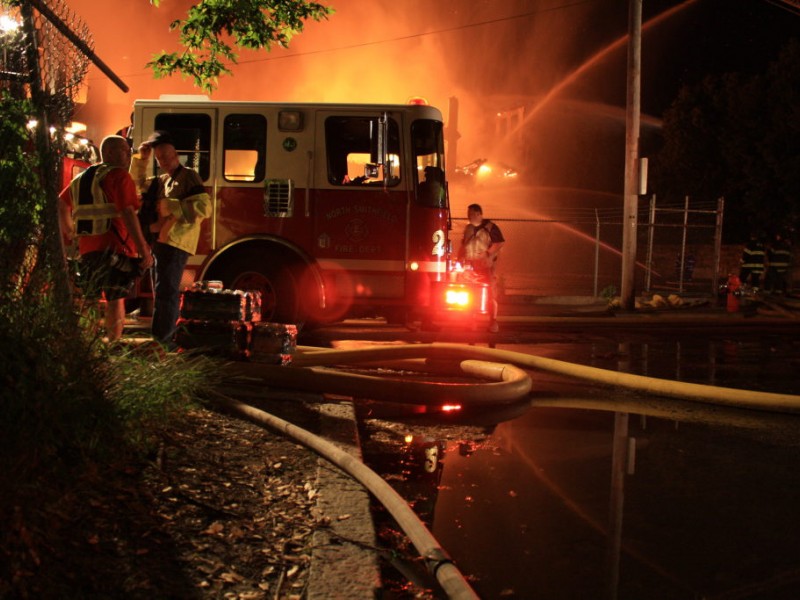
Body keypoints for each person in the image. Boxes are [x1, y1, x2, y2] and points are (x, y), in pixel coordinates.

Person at [59, 135, 154, 342]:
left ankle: (87, 344)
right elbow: (128, 213)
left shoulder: (81, 179)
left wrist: (69, 232)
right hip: (116, 248)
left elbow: (61, 205)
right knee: (115, 298)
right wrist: (143, 248)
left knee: (90, 299)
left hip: (87, 250)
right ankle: (112, 343)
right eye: (124, 151)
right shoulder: (120, 176)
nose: (128, 155)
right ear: (109, 152)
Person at [134, 131, 211, 345]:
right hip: (162, 242)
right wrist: (142, 159)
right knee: (162, 292)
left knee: (166, 292)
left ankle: (163, 341)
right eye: (159, 158)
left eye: (166, 156)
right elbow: (136, 184)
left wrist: (170, 207)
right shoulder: (162, 180)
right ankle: (162, 339)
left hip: (175, 243)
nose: (163, 161)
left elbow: (205, 208)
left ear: (176, 154)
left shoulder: (189, 176)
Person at [457, 203, 505, 333]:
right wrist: (459, 258)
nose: (468, 216)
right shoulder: (468, 228)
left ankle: (493, 321)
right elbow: (464, 244)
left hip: (485, 267)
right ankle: (472, 321)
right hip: (470, 267)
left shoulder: (490, 227)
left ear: (478, 214)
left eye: (471, 214)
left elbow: (500, 242)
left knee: (490, 294)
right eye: (468, 214)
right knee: (470, 295)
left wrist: (487, 254)